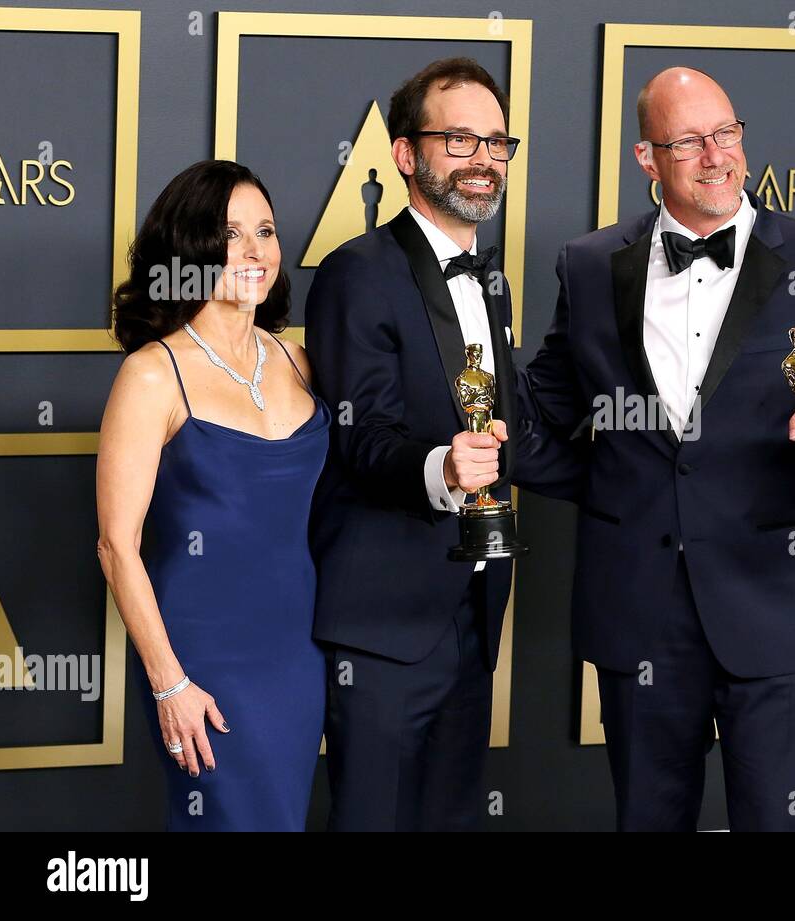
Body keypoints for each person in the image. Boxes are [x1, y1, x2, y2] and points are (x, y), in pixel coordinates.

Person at [518, 66, 795, 831]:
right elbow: (544, 410)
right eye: (688, 141)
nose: (717, 155)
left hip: (778, 607)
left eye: (726, 133)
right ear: (647, 159)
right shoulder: (588, 267)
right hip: (641, 610)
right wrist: (605, 483)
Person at [306, 57, 576, 831]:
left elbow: (512, 431)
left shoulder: (489, 280)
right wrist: (440, 468)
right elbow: (360, 435)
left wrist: (649, 473)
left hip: (473, 608)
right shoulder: (357, 273)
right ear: (404, 155)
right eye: (459, 139)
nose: (483, 159)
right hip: (382, 622)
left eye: (496, 142)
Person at [97, 160, 328, 831]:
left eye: (266, 230)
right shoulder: (152, 374)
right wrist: (170, 680)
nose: (255, 250)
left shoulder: (298, 361)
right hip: (203, 654)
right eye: (232, 234)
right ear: (190, 247)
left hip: (298, 652)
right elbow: (117, 545)